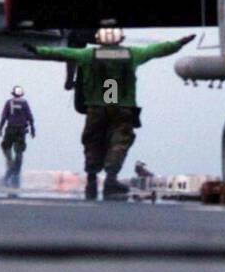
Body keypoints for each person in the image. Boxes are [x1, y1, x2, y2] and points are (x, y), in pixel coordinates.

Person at [25, 23, 194, 200]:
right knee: (119, 141)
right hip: (121, 108)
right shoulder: (132, 54)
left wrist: (36, 49)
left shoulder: (87, 55)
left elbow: (61, 53)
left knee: (92, 142)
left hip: (96, 108)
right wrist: (179, 43)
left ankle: (91, 180)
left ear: (98, 38)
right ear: (120, 37)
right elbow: (157, 50)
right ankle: (111, 179)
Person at [0, 85, 36, 193]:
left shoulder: (9, 103)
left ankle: (11, 168)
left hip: (10, 130)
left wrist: (0, 128)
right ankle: (14, 172)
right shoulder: (25, 103)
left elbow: (4, 117)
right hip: (21, 131)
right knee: (19, 152)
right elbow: (30, 117)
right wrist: (33, 130)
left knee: (6, 148)